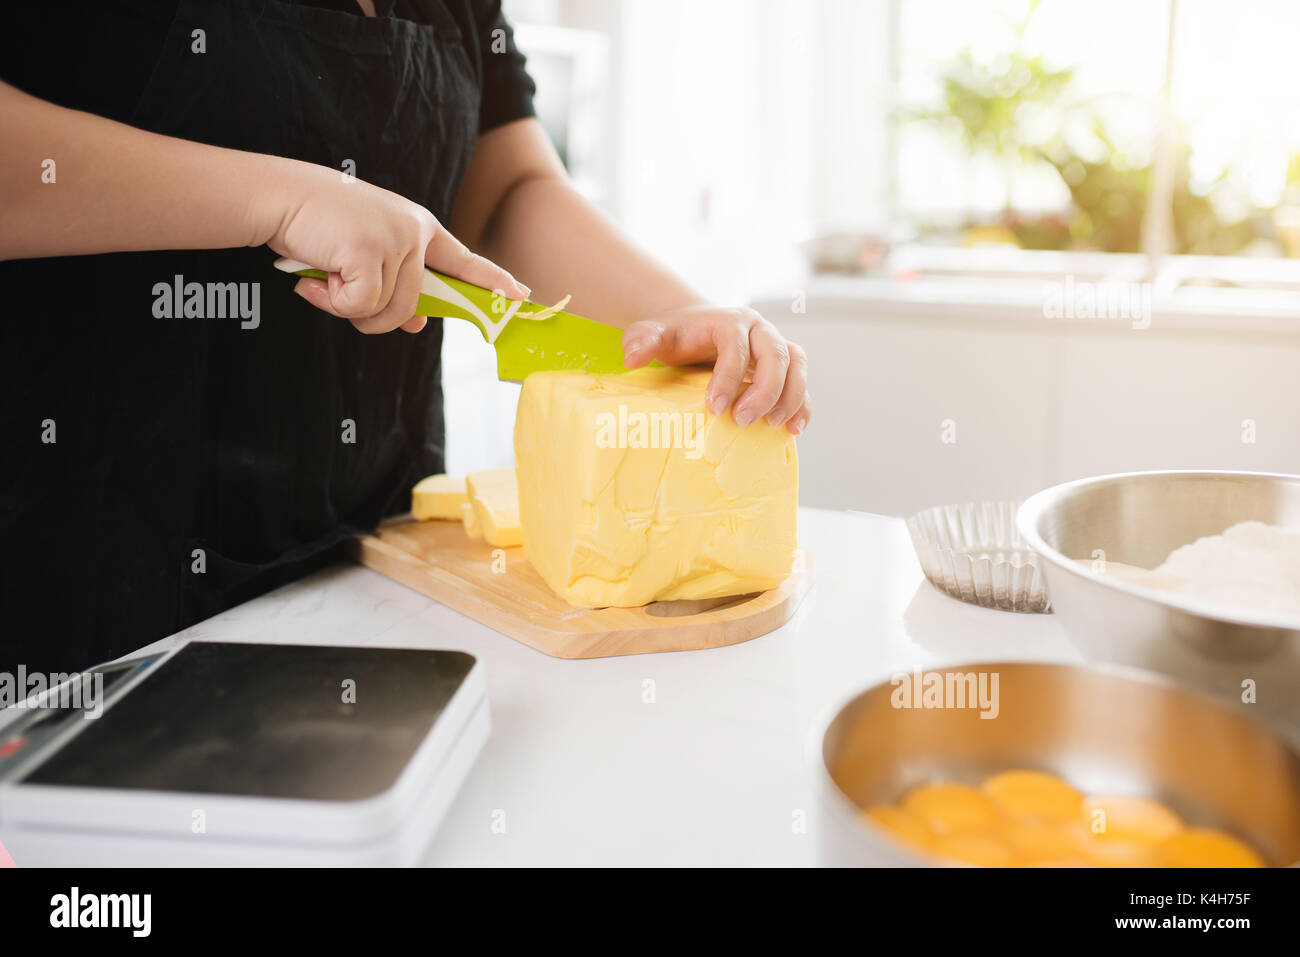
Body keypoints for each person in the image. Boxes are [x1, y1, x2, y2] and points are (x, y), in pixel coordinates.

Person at [0, 0, 811, 674]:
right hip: (89, 604)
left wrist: (684, 321)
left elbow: (503, 197)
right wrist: (276, 200)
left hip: (379, 572)